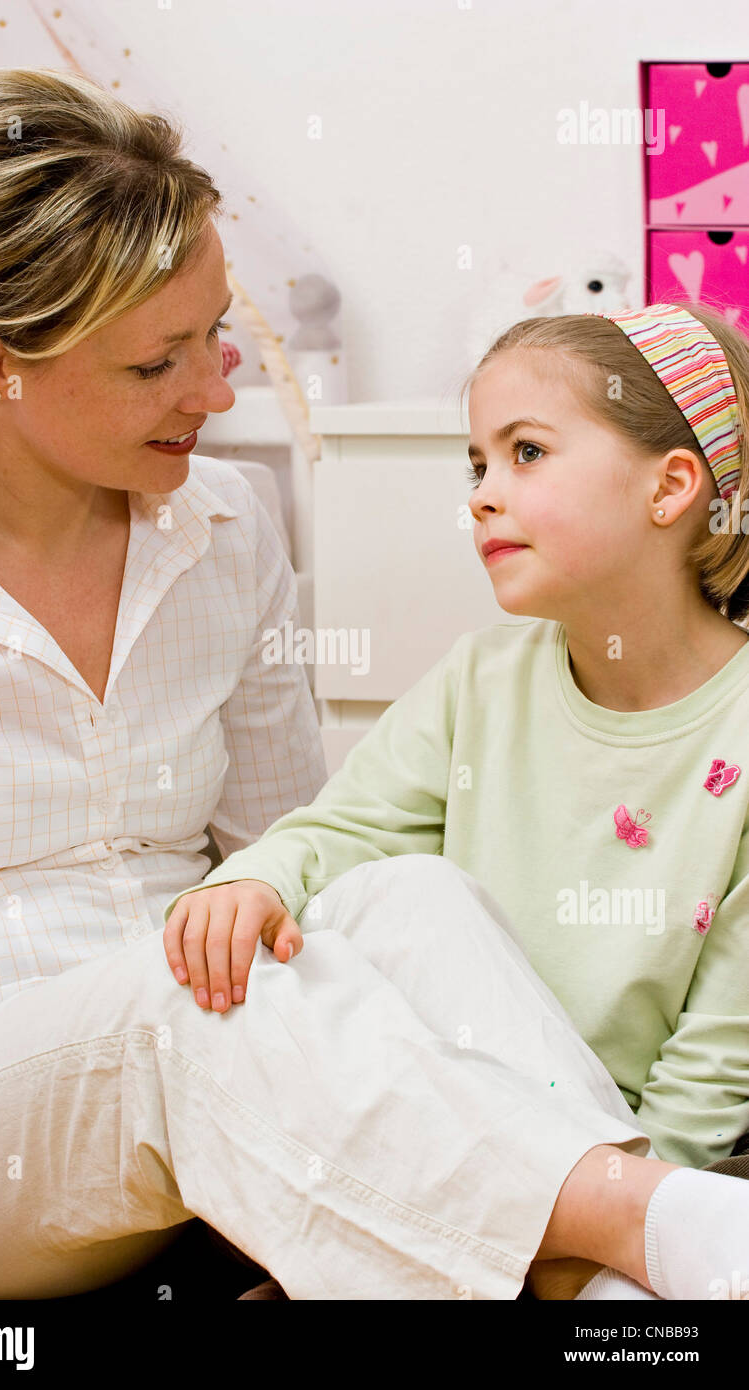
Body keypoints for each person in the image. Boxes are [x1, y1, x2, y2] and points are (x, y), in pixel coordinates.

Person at [0, 66, 738, 1305]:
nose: (218, 390)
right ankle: (644, 1221)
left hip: (200, 1070)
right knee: (175, 1006)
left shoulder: (225, 529)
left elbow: (293, 844)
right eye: (156, 364)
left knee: (405, 892)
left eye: (214, 335)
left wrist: (296, 913)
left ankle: (606, 1276)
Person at [162, 299, 749, 1301]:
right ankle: (586, 1247)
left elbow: (717, 1055)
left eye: (524, 453)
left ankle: (593, 1238)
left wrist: (644, 1190)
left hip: (651, 1156)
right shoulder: (479, 681)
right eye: (475, 467)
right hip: (457, 1131)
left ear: (670, 485)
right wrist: (252, 877)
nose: (481, 495)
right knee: (411, 895)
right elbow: (345, 827)